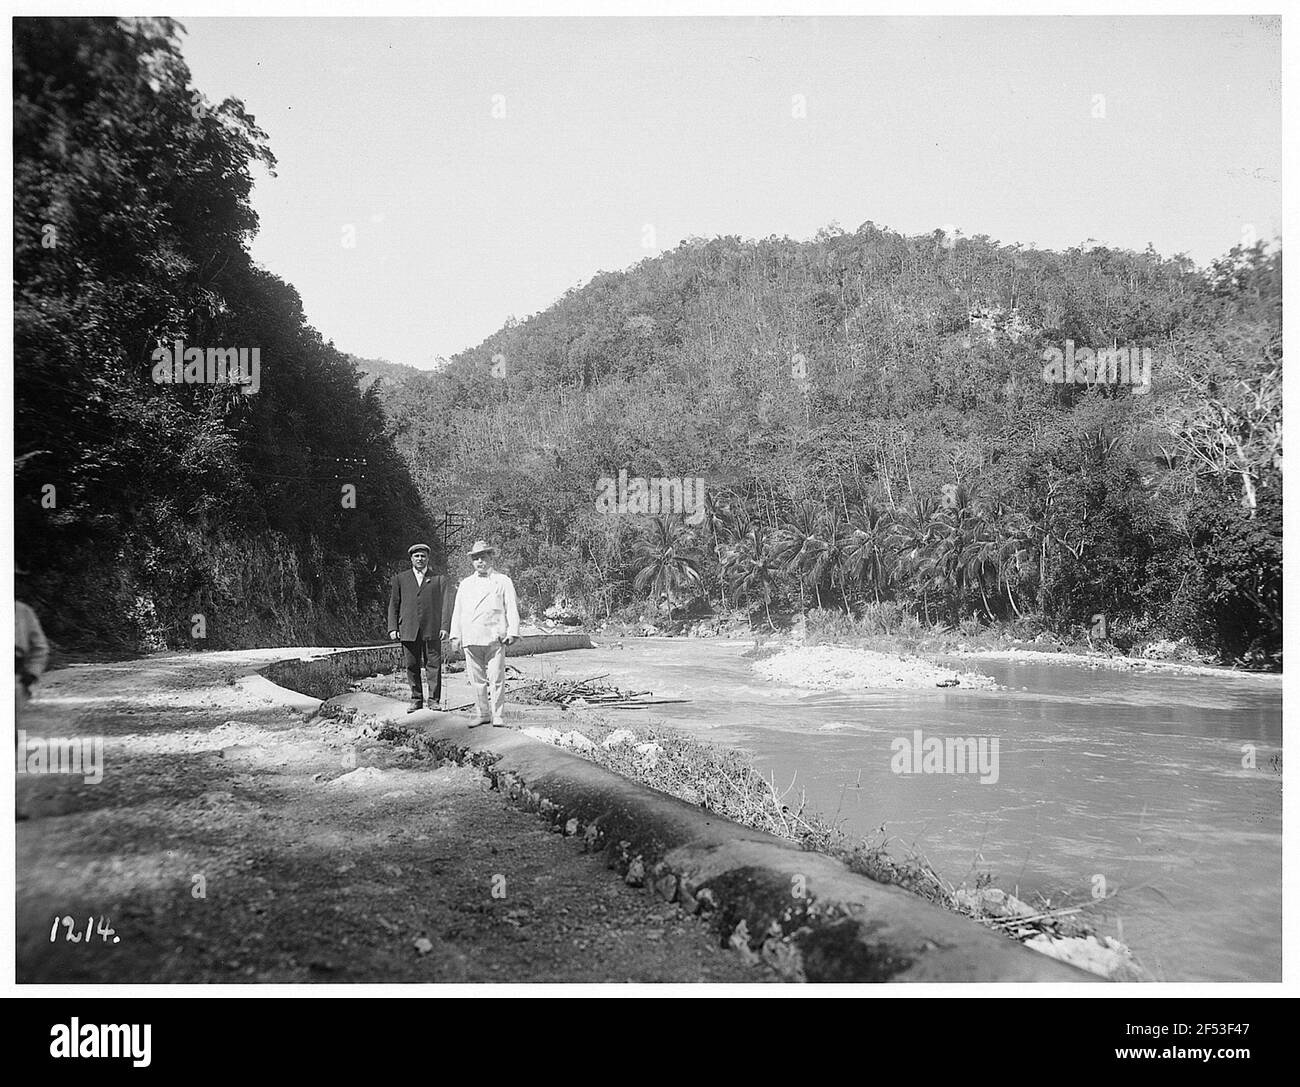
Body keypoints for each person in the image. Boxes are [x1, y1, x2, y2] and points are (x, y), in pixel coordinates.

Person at [448, 540, 520, 728]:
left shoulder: (502, 581)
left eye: (483, 557)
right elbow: (458, 611)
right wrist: (455, 636)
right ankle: (483, 713)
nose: (480, 561)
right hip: (471, 637)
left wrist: (512, 632)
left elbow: (511, 607)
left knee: (496, 678)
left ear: (491, 558)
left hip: (494, 637)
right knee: (476, 680)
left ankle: (498, 715)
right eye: (476, 558)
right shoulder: (465, 584)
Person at [387, 543, 454, 713]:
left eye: (423, 556)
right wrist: (393, 627)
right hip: (408, 629)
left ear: (428, 558)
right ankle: (416, 699)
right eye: (416, 556)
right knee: (411, 665)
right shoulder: (400, 579)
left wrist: (445, 627)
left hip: (432, 629)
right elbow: (394, 604)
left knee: (433, 665)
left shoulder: (439, 579)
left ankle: (434, 700)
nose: (420, 559)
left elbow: (446, 606)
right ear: (411, 559)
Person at [15, 597, 49, 724]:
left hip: (16, 676)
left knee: (15, 725)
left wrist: (32, 673)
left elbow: (39, 647)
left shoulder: (22, 611)